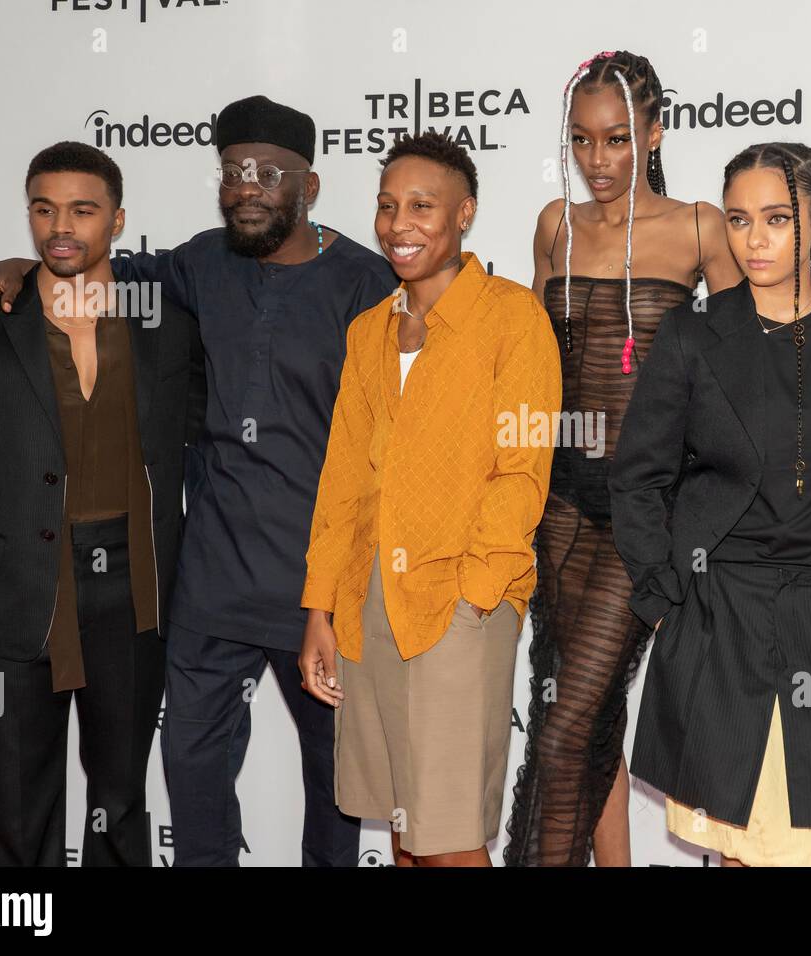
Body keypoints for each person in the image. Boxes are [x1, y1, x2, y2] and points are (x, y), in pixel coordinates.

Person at [0, 95, 397, 866]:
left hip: (323, 592)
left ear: (312, 187)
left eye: (266, 173)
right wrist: (20, 267)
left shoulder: (365, 284)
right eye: (232, 172)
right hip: (211, 588)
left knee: (337, 785)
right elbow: (96, 270)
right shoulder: (201, 262)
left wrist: (339, 591)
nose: (247, 187)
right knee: (191, 778)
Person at [608, 142, 811, 866]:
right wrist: (663, 600)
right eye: (739, 220)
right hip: (722, 623)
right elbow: (638, 476)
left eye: (778, 217)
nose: (756, 239)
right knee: (740, 852)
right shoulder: (691, 333)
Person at [0, 141, 205, 865]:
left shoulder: (168, 325)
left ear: (117, 219)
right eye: (44, 209)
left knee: (120, 801)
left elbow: (202, 450)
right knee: (18, 805)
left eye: (83, 209)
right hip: (18, 592)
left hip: (135, 594)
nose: (61, 227)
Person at [504, 49, 740, 867]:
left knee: (569, 718)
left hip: (646, 514)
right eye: (581, 141)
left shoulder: (702, 227)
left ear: (654, 132)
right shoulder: (554, 227)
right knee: (578, 716)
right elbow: (534, 368)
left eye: (616, 139)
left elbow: (747, 363)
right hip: (559, 505)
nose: (598, 161)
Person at [299, 132, 561, 867]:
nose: (398, 224)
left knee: (449, 842)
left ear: (464, 214)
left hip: (460, 605)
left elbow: (523, 472)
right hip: (367, 601)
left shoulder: (514, 319)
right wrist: (321, 607)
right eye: (387, 206)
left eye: (422, 206)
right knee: (405, 832)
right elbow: (342, 478)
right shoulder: (368, 333)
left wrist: (474, 596)